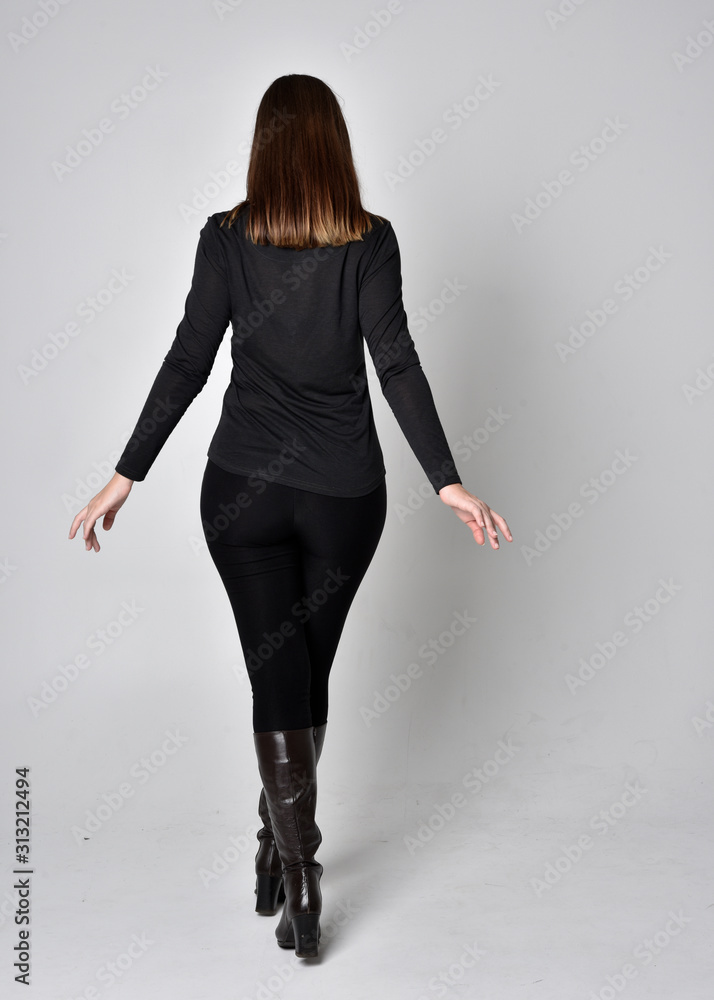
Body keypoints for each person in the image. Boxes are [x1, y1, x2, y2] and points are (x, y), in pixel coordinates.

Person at [68, 73, 513, 958]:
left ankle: (288, 856)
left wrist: (128, 473)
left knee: (284, 676)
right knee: (304, 677)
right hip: (345, 497)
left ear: (263, 149)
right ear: (335, 147)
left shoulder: (227, 240)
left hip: (243, 494)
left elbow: (188, 358)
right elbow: (396, 362)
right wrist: (445, 481)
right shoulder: (370, 242)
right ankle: (294, 860)